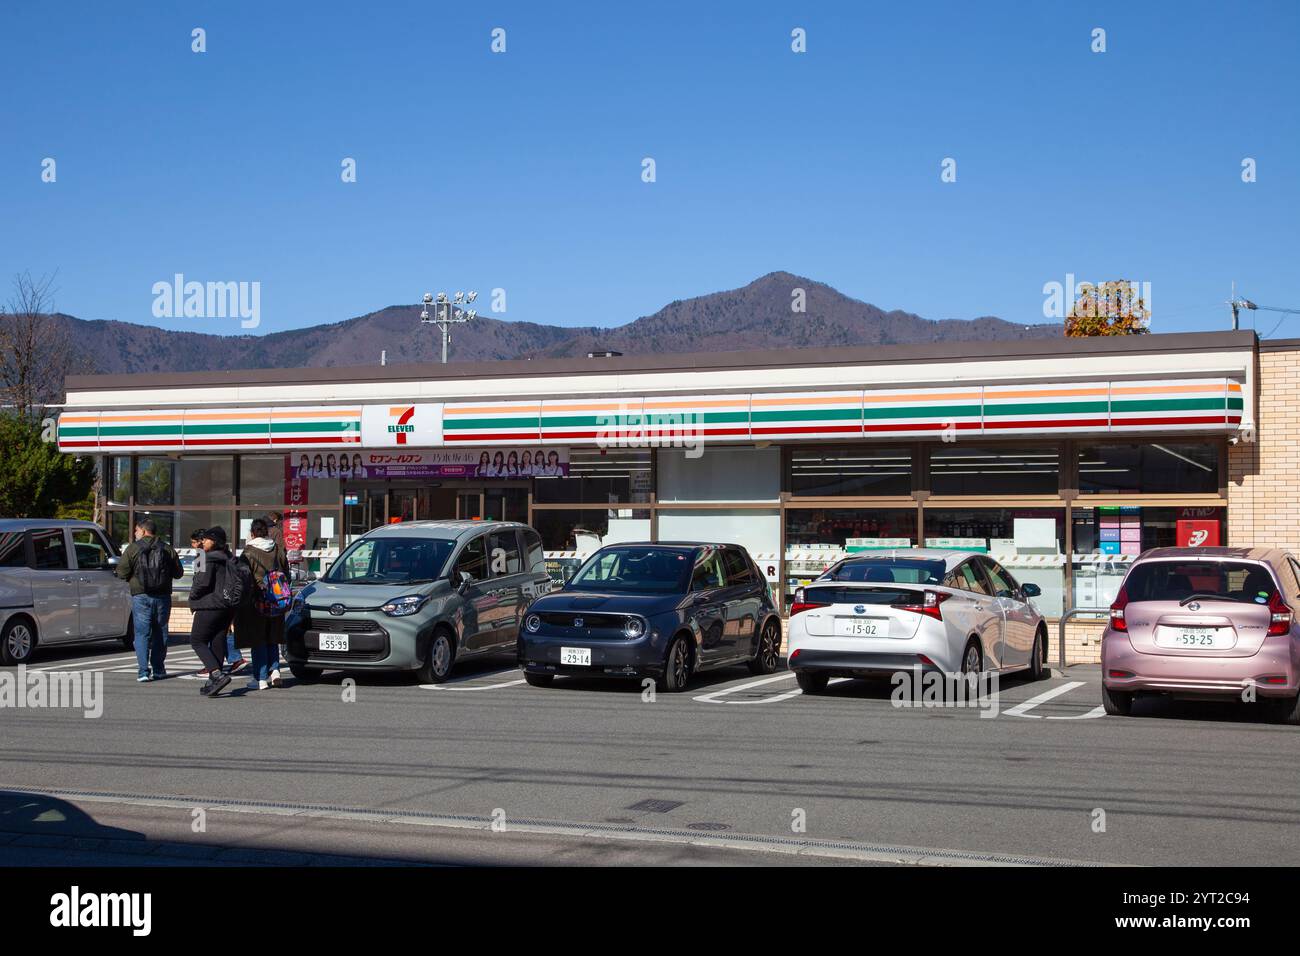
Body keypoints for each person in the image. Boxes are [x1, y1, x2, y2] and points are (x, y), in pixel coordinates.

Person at [116, 518, 183, 682]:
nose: (135, 533)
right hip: (163, 596)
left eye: (137, 530)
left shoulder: (133, 548)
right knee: (160, 631)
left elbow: (121, 572)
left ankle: (143, 671)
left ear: (144, 531)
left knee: (141, 633)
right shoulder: (167, 549)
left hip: (140, 595)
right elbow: (178, 573)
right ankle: (159, 669)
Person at [234, 519, 290, 690]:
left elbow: (243, 578)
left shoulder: (248, 552)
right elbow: (286, 572)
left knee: (258, 639)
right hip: (277, 599)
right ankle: (275, 672)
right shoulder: (277, 549)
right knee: (273, 636)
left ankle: (260, 678)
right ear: (267, 532)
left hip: (257, 600)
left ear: (252, 533)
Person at [189, 529, 246, 679]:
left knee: (197, 640)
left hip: (209, 605)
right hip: (227, 606)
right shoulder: (229, 557)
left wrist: (192, 597)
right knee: (217, 639)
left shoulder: (204, 557)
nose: (203, 542)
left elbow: (201, 583)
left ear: (214, 541)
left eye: (206, 539)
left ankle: (215, 672)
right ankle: (216, 679)